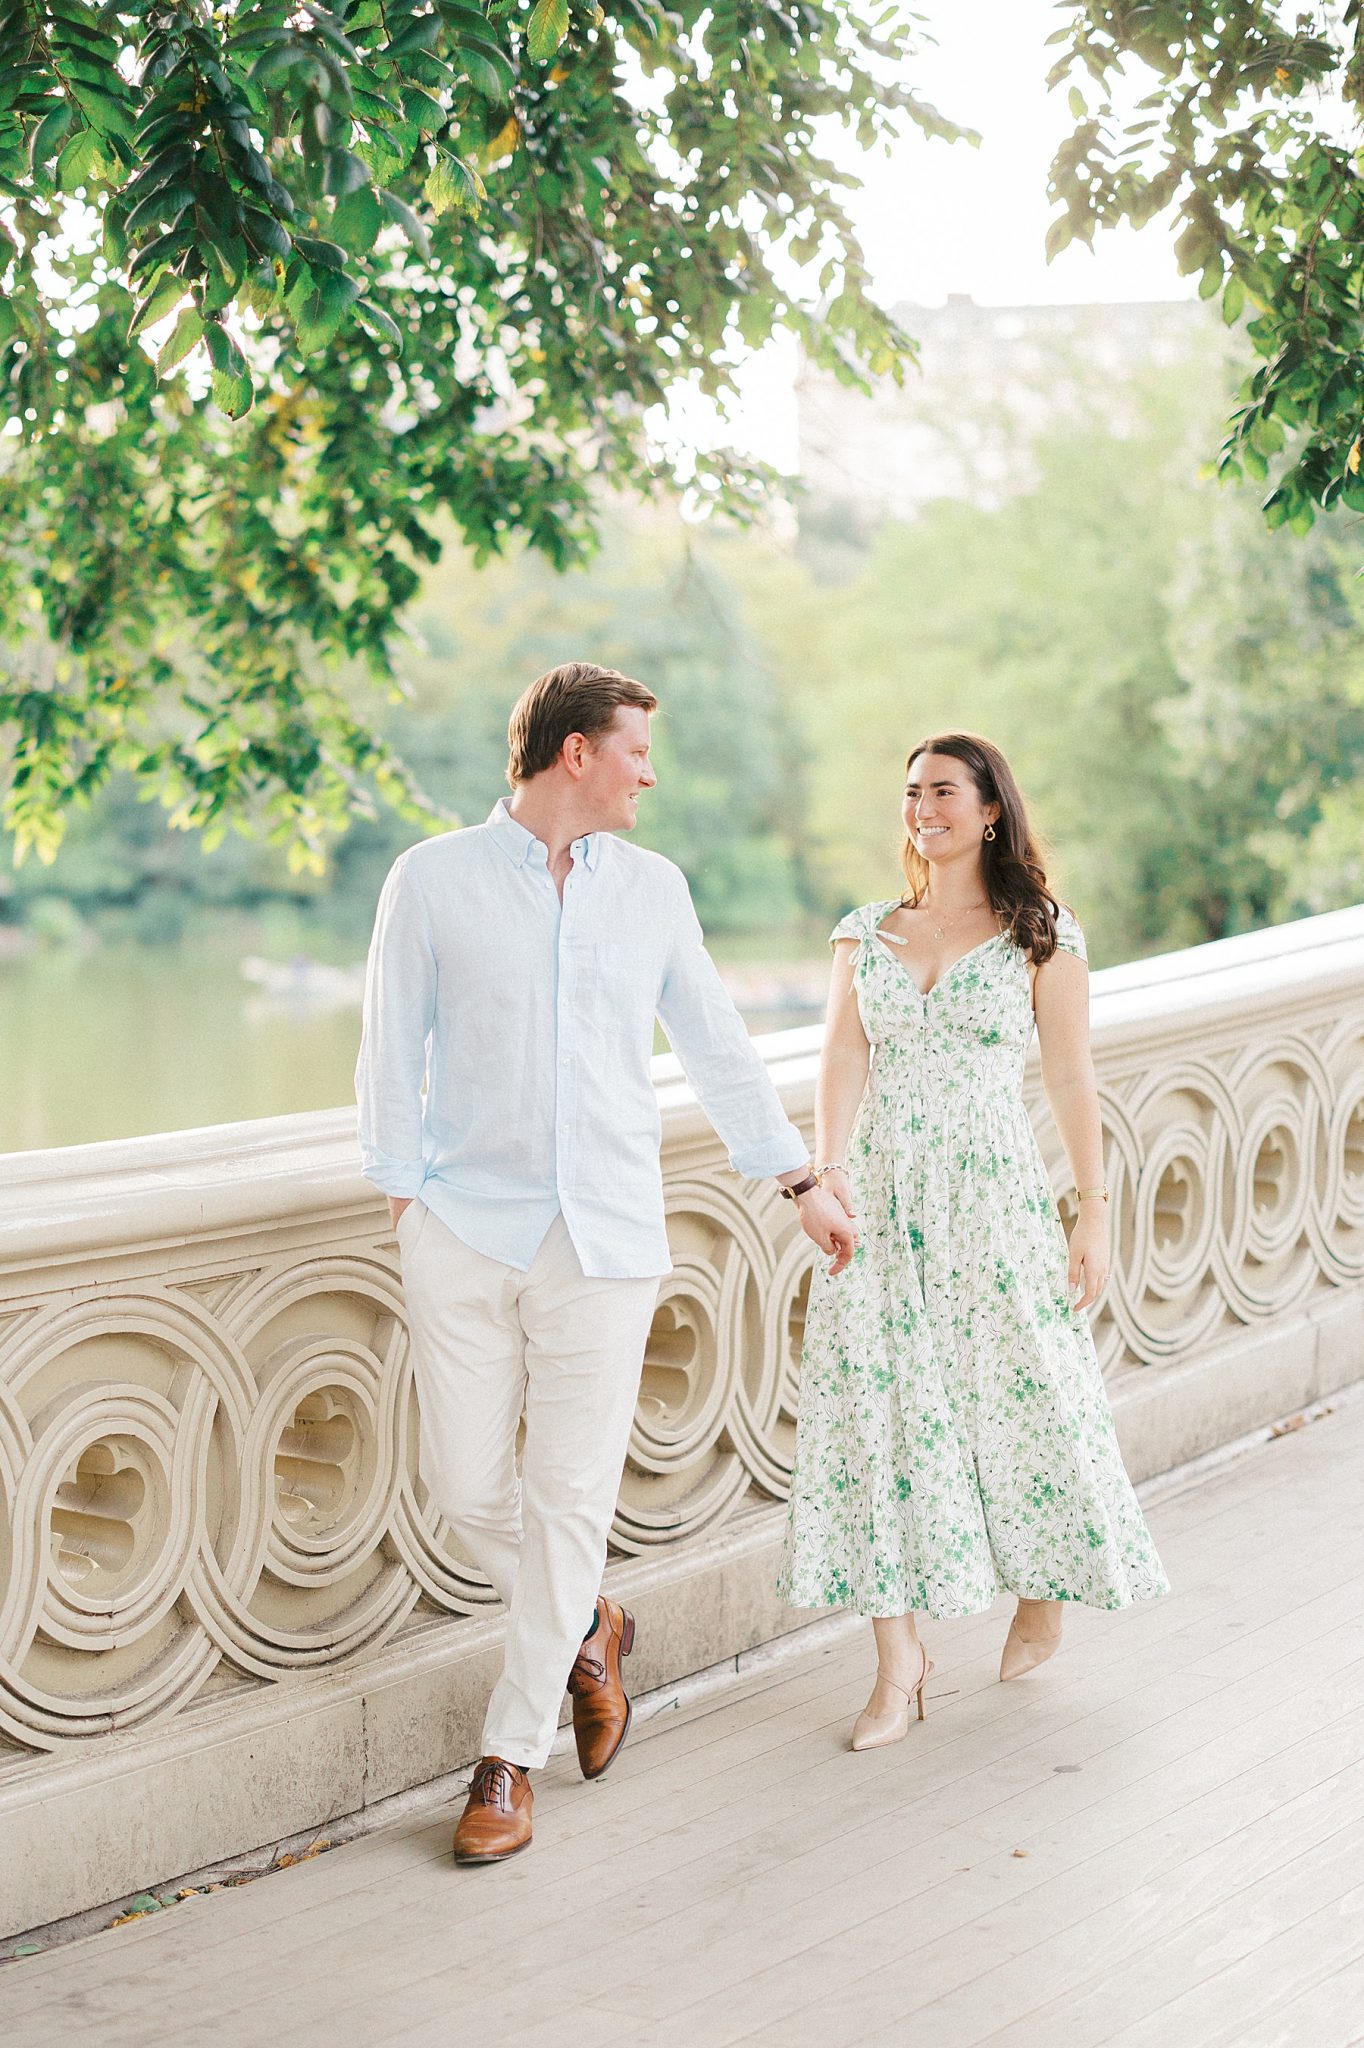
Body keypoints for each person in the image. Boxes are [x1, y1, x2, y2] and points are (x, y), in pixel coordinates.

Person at [356, 661, 855, 1863]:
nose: (650, 771)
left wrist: (797, 1177)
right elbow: (386, 1048)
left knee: (569, 1495)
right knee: (468, 1491)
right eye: (636, 748)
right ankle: (590, 1619)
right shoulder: (429, 879)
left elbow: (715, 1043)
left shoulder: (653, 889)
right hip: (465, 1228)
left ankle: (504, 1758)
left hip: (608, 1241)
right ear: (575, 752)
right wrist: (402, 1196)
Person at [778, 732, 1168, 1749]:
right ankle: (896, 1661)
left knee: (1026, 1393)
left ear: (990, 807)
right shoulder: (864, 931)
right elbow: (837, 1056)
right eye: (909, 791)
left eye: (942, 790)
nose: (921, 808)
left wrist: (1091, 1207)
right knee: (877, 1416)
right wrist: (827, 1168)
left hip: (993, 1195)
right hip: (882, 1197)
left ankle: (1044, 1578)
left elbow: (1072, 1078)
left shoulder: (1041, 934)